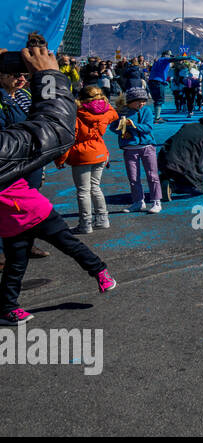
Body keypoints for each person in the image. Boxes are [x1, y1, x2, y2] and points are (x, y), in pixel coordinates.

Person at [0, 44, 117, 326]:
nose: (21, 77)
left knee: (42, 251)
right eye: (13, 72)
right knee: (21, 261)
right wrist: (49, 76)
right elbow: (53, 130)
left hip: (25, 198)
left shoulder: (20, 97)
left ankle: (98, 269)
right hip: (17, 206)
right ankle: (8, 306)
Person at [55, 85, 119, 234]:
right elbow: (113, 113)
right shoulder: (105, 111)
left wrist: (60, 159)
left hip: (82, 155)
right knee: (95, 187)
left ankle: (85, 223)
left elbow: (70, 138)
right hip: (100, 152)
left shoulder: (77, 114)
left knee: (83, 191)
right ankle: (103, 219)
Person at [116, 87, 163, 214]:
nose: (141, 103)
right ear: (130, 101)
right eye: (138, 101)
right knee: (133, 177)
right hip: (130, 148)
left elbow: (148, 127)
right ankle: (138, 202)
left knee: (152, 175)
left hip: (147, 146)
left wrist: (134, 126)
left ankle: (156, 201)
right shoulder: (122, 112)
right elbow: (113, 127)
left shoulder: (147, 111)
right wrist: (121, 130)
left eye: (143, 101)